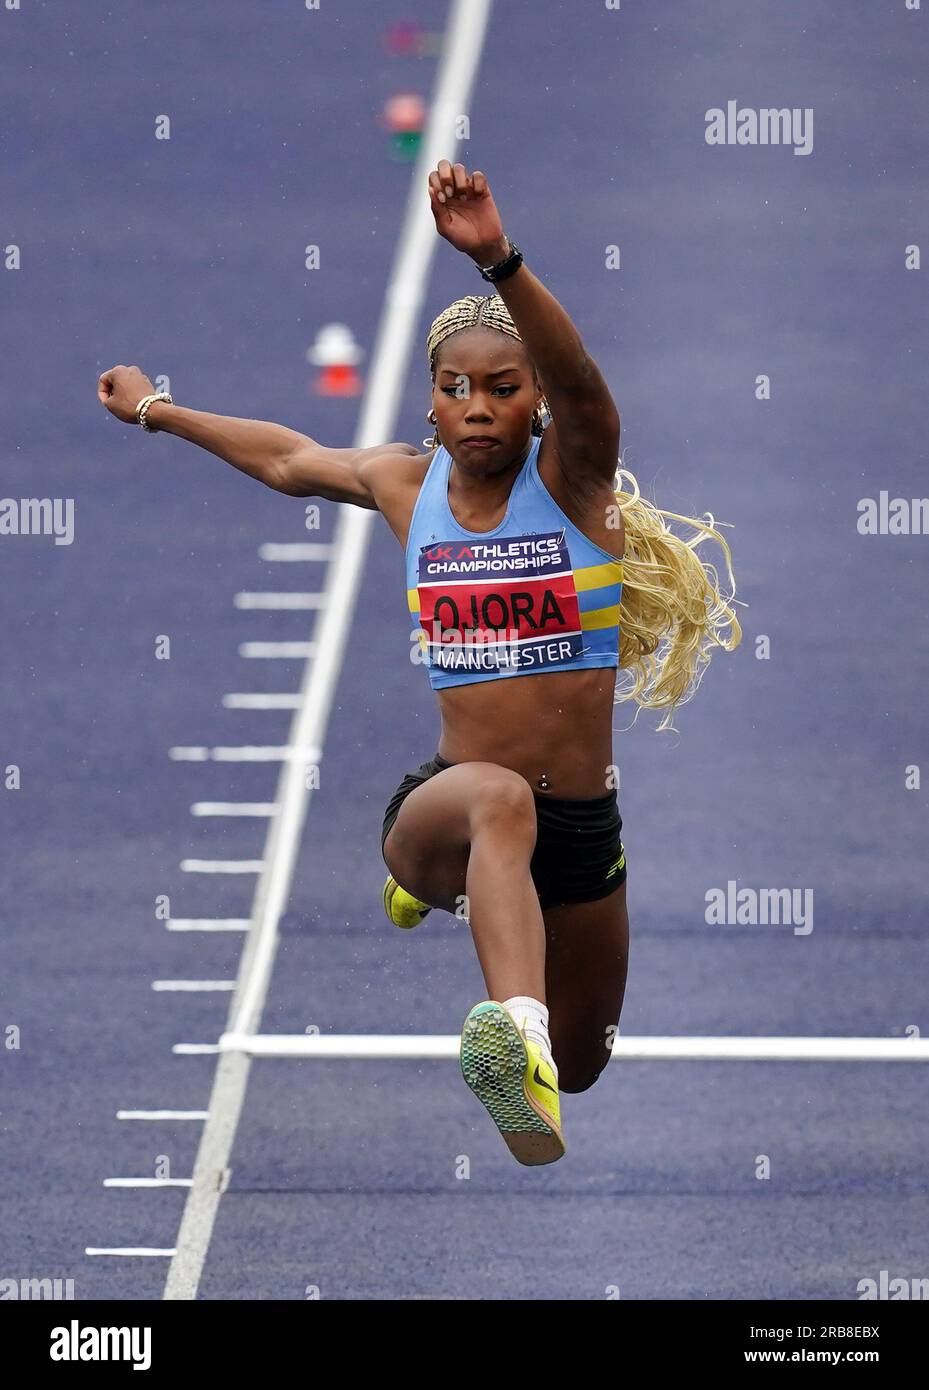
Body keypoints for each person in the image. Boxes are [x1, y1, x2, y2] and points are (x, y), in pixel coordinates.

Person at [98, 160, 741, 1167]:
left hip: (579, 828)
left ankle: (530, 1034)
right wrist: (155, 410)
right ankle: (504, 1025)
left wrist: (498, 259)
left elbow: (587, 387)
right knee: (496, 804)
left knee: (583, 1066)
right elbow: (285, 459)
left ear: (535, 406)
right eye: (454, 389)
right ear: (429, 408)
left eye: (501, 387)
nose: (477, 405)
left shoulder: (575, 486)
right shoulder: (407, 487)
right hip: (448, 802)